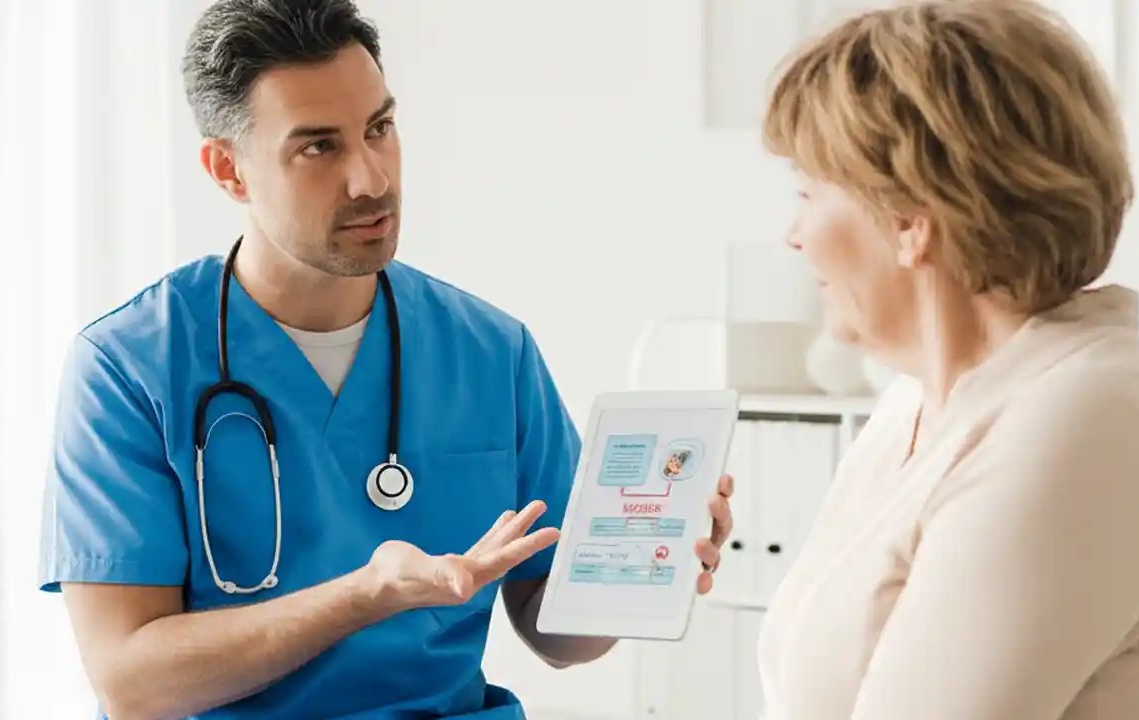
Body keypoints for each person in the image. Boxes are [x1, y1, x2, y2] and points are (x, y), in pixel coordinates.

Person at [36, 1, 735, 718]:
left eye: (379, 129)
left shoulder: (490, 351)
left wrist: (641, 569)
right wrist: (365, 595)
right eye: (318, 148)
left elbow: (557, 634)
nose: (370, 179)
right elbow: (132, 683)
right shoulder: (127, 368)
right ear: (228, 170)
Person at [756, 1, 1139, 718]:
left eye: (810, 195)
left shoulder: (1087, 419)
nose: (795, 234)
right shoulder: (914, 408)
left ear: (909, 220)